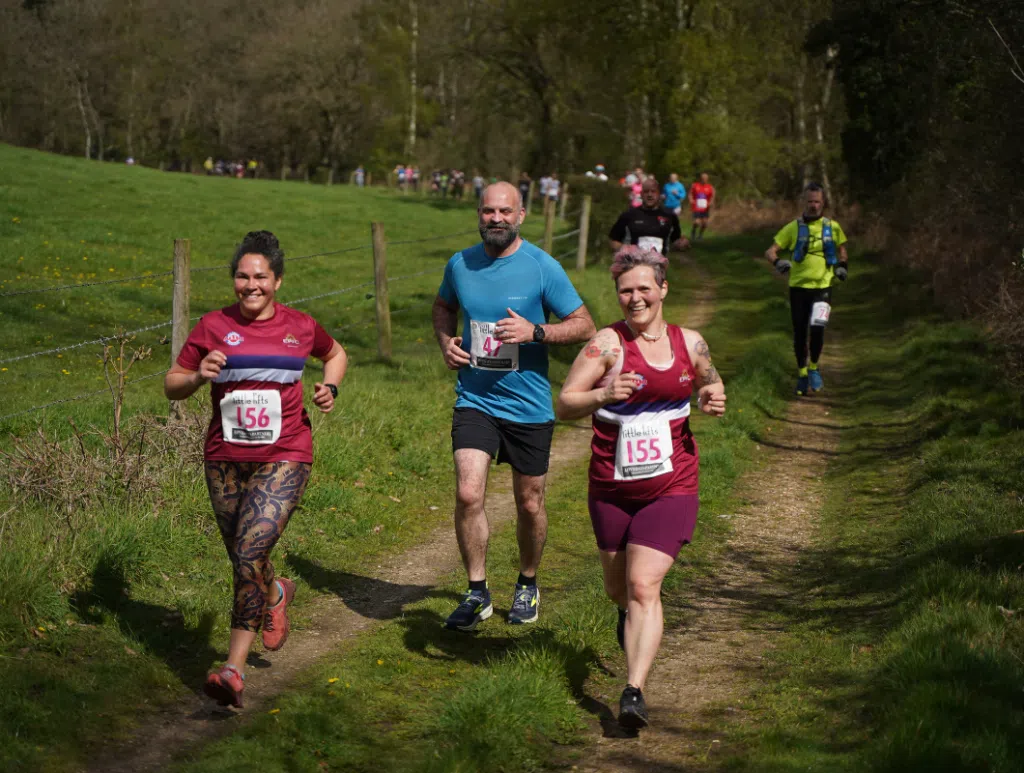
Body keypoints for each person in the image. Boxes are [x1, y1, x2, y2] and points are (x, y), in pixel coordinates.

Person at [164, 230, 348, 708]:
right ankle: (275, 592)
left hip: (286, 452)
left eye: (260, 277)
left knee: (248, 553)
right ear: (234, 281)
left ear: (278, 281)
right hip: (223, 458)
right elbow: (172, 383)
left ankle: (232, 670)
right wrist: (197, 375)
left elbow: (335, 353)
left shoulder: (301, 327)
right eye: (242, 277)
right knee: (243, 557)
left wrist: (331, 387)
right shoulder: (211, 327)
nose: (251, 285)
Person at [555, 246, 726, 728]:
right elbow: (564, 404)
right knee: (618, 589)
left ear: (663, 289)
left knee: (642, 584)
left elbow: (710, 382)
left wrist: (712, 396)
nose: (635, 298)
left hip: (672, 484)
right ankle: (627, 617)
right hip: (611, 487)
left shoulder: (690, 342)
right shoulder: (606, 346)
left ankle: (632, 692)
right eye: (625, 290)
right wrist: (603, 393)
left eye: (643, 288)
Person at [432, 182, 597, 631]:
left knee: (529, 502)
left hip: (528, 405)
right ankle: (477, 592)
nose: (497, 219)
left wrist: (536, 332)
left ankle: (527, 582)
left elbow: (584, 325)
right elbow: (443, 306)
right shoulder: (460, 264)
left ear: (521, 215)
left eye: (506, 211)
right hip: (475, 398)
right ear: (479, 214)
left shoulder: (542, 267)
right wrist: (447, 343)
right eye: (489, 211)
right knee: (469, 493)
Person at [764, 182, 849, 396]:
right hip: (798, 287)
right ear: (805, 202)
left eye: (817, 202)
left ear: (823, 203)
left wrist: (842, 268)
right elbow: (770, 251)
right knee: (800, 331)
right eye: (810, 201)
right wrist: (777, 262)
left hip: (823, 286)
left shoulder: (833, 227)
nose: (813, 205)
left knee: (818, 328)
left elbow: (842, 251)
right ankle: (802, 374)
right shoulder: (793, 227)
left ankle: (814, 367)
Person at [609, 177, 690, 259]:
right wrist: (627, 251)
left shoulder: (670, 216)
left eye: (653, 191)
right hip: (633, 266)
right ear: (641, 194)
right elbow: (614, 241)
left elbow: (675, 240)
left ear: (659, 194)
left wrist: (681, 244)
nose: (650, 195)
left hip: (659, 267)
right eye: (646, 192)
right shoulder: (629, 215)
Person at [688, 172, 716, 240]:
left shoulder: (710, 187)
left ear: (707, 179)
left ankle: (700, 235)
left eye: (706, 178)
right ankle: (693, 232)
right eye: (703, 178)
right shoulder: (695, 185)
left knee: (705, 223)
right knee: (697, 222)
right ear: (700, 178)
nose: (704, 179)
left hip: (705, 207)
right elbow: (690, 193)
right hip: (697, 207)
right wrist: (691, 199)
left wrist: (711, 202)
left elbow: (713, 195)